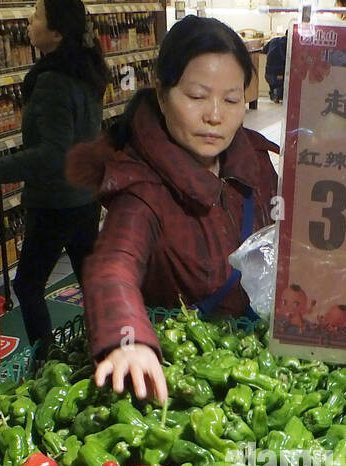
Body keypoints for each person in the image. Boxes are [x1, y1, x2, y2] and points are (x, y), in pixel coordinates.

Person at [67, 16, 279, 404]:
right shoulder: (142, 187)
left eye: (231, 99)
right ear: (162, 96)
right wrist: (126, 338)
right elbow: (113, 265)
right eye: (197, 96)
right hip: (184, 376)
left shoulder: (256, 163)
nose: (215, 115)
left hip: (257, 368)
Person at [0, 0, 106, 354]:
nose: (28, 22)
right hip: (86, 197)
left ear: (56, 32)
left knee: (28, 285)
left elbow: (52, 154)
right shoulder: (86, 70)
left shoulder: (52, 82)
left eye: (37, 16)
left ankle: (46, 362)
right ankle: (103, 347)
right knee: (91, 281)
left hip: (56, 202)